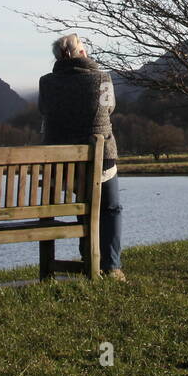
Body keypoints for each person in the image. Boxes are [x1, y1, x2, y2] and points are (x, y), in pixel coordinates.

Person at [38, 34, 124, 280]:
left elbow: (44, 109)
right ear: (83, 54)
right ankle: (110, 266)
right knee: (110, 208)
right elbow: (109, 108)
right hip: (100, 157)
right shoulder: (102, 78)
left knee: (84, 205)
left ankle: (88, 256)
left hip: (60, 162)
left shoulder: (46, 82)